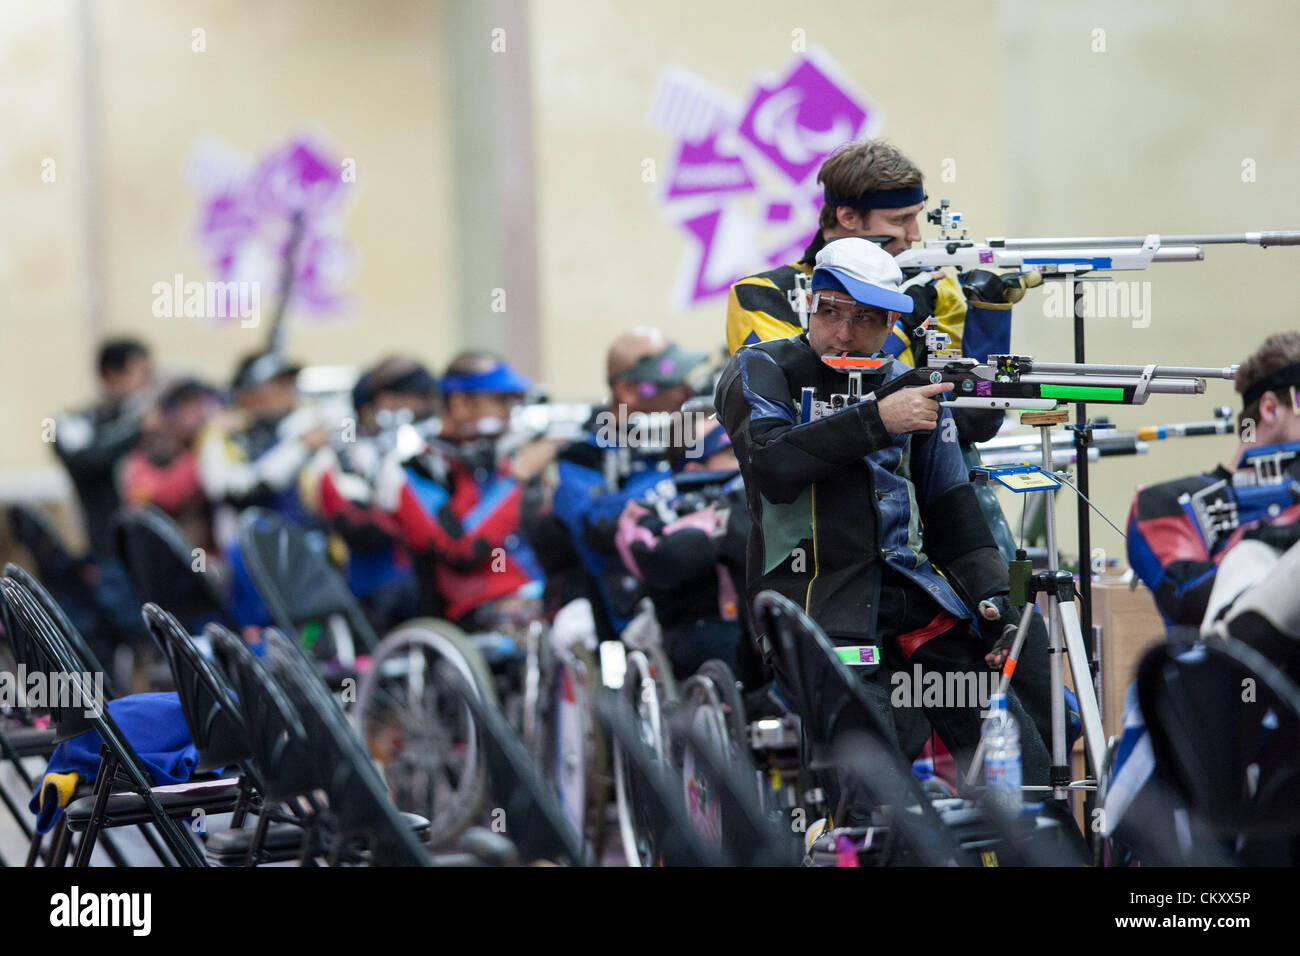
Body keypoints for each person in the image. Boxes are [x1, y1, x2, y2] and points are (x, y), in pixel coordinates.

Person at [715, 236, 1049, 823]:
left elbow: (953, 509)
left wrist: (997, 599)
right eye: (830, 311)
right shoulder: (760, 368)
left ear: (893, 321)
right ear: (809, 305)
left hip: (915, 607)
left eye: (865, 318)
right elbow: (772, 467)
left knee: (1021, 763)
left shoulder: (909, 380)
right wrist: (876, 420)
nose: (842, 332)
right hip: (816, 611)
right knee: (880, 801)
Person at [525, 329, 706, 642]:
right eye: (672, 383)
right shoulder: (583, 453)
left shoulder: (691, 433)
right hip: (616, 608)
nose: (687, 391)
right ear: (628, 391)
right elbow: (597, 524)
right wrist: (671, 480)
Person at [1128, 331, 1300, 629]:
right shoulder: (1166, 504)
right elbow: (1191, 599)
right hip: (1227, 670)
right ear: (1270, 408)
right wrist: (1271, 535)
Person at [380, 351, 550, 630]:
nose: (509, 414)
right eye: (500, 402)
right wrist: (516, 479)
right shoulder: (414, 470)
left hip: (533, 591)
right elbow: (460, 548)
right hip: (474, 612)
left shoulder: (495, 456)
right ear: (460, 404)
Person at [301, 356, 438, 632]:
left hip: (430, 581)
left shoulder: (427, 449)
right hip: (373, 592)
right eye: (419, 397)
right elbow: (361, 529)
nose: (430, 407)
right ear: (384, 402)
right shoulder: (339, 459)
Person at [197, 350, 331, 625]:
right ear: (248, 393)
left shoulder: (306, 424)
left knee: (314, 631)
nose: (288, 392)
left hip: (307, 550)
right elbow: (236, 491)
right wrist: (299, 448)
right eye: (277, 384)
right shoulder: (222, 434)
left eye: (290, 383)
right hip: (247, 559)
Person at [52, 338, 156, 652]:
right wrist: (135, 430)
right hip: (106, 549)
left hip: (150, 552)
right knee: (118, 634)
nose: (146, 383)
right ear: (112, 374)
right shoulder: (76, 422)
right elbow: (88, 458)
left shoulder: (155, 420)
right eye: (140, 373)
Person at [120, 377, 221, 555]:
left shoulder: (212, 442)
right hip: (169, 558)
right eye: (187, 405)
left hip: (211, 553)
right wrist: (203, 451)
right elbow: (162, 494)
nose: (198, 413)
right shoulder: (147, 451)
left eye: (200, 402)